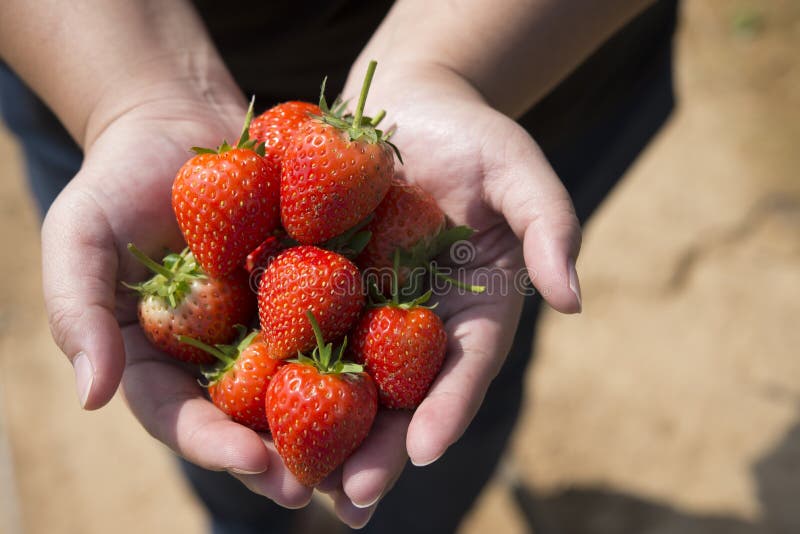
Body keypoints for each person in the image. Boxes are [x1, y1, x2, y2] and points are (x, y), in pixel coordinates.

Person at [0, 0, 678, 531]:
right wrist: (127, 98)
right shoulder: (239, 216)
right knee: (215, 435)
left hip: (531, 55)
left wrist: (449, 72)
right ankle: (249, 524)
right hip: (86, 55)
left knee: (465, 380)